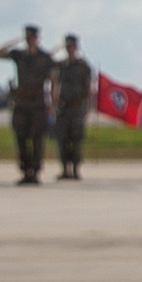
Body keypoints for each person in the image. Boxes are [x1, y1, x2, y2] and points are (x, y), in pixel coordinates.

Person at [0, 26, 52, 185]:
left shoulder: (44, 57)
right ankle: (26, 171)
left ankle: (35, 171)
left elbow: (53, 79)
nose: (30, 40)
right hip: (22, 102)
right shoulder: (19, 55)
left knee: (37, 139)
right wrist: (14, 42)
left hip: (38, 102)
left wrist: (52, 102)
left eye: (32, 37)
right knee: (21, 138)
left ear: (37, 38)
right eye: (27, 37)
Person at [51, 36, 94, 179]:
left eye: (72, 46)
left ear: (76, 47)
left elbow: (88, 88)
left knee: (76, 140)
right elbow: (48, 64)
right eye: (67, 46)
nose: (70, 48)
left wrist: (87, 107)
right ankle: (65, 170)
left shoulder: (83, 66)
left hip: (77, 107)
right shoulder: (60, 65)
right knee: (62, 140)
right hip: (62, 107)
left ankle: (76, 170)